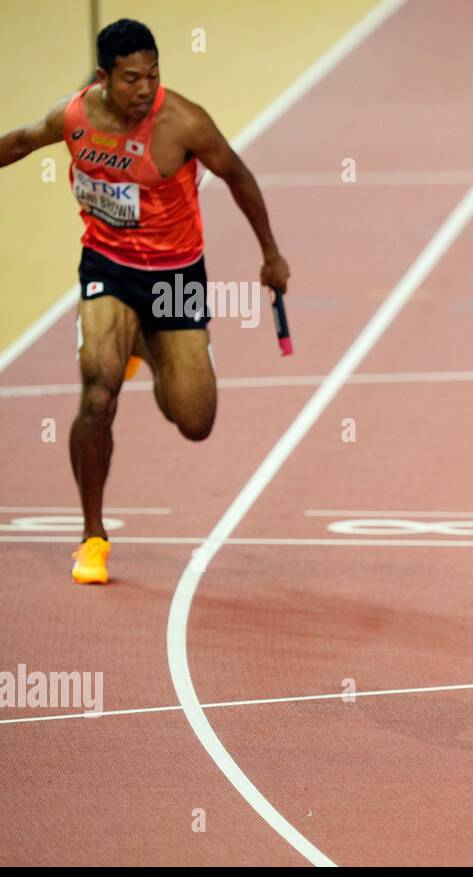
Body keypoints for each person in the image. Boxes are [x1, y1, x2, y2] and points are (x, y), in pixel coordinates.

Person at [0, 19, 289, 583]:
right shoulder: (75, 116)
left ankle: (150, 349)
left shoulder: (183, 122)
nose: (145, 89)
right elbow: (17, 142)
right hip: (107, 267)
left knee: (195, 421)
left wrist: (271, 255)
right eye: (132, 78)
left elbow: (239, 175)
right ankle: (93, 538)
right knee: (97, 394)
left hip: (175, 276)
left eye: (153, 75)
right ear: (104, 79)